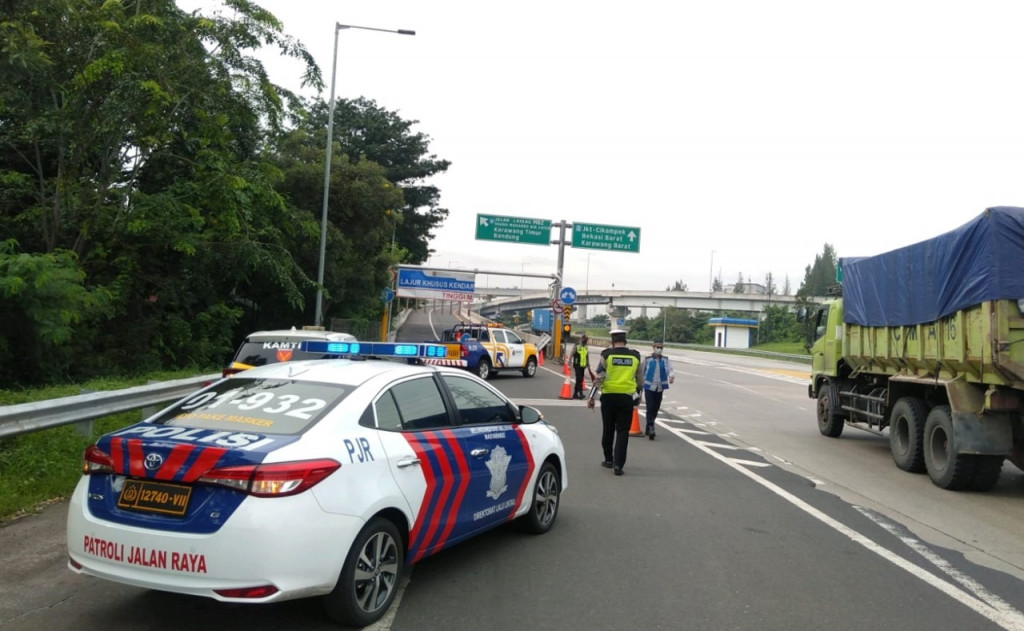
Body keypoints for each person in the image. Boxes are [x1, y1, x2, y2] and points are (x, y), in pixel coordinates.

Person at [587, 329, 643, 476]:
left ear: (612, 341)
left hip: (609, 397)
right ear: (626, 341)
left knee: (608, 428)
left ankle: (608, 460)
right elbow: (640, 380)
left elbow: (599, 378)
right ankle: (619, 465)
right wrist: (638, 397)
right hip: (626, 398)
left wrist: (591, 397)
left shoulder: (607, 355)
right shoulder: (635, 356)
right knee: (623, 431)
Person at [640, 340, 675, 440]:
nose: (659, 349)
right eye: (657, 347)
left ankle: (648, 426)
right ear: (653, 347)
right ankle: (651, 427)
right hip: (649, 386)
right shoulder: (648, 359)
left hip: (660, 387)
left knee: (655, 408)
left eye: (661, 347)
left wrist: (671, 377)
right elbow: (642, 371)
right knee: (650, 406)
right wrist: (639, 383)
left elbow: (670, 369)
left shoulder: (665, 359)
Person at [570, 334, 595, 399]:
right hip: (577, 365)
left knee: (579, 380)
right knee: (579, 379)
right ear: (581, 339)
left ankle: (575, 394)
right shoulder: (577, 346)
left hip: (583, 366)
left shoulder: (586, 346)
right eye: (585, 341)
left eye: (586, 341)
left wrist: (588, 365)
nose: (585, 342)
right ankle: (580, 393)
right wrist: (569, 363)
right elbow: (571, 354)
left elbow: (587, 356)